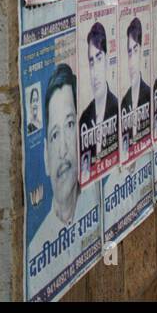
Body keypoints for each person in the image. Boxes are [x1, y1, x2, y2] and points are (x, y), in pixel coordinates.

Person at [27, 64, 81, 298]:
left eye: (70, 125)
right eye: (55, 134)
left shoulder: (96, 198)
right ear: (46, 159)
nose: (63, 151)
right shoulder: (35, 247)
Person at [78, 21, 118, 169]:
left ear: (107, 59)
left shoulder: (118, 108)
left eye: (99, 58)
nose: (94, 72)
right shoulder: (84, 119)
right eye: (91, 62)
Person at [118, 17, 151, 150]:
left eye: (135, 50)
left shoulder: (150, 93)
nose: (132, 61)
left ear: (142, 50)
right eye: (129, 52)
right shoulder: (124, 102)